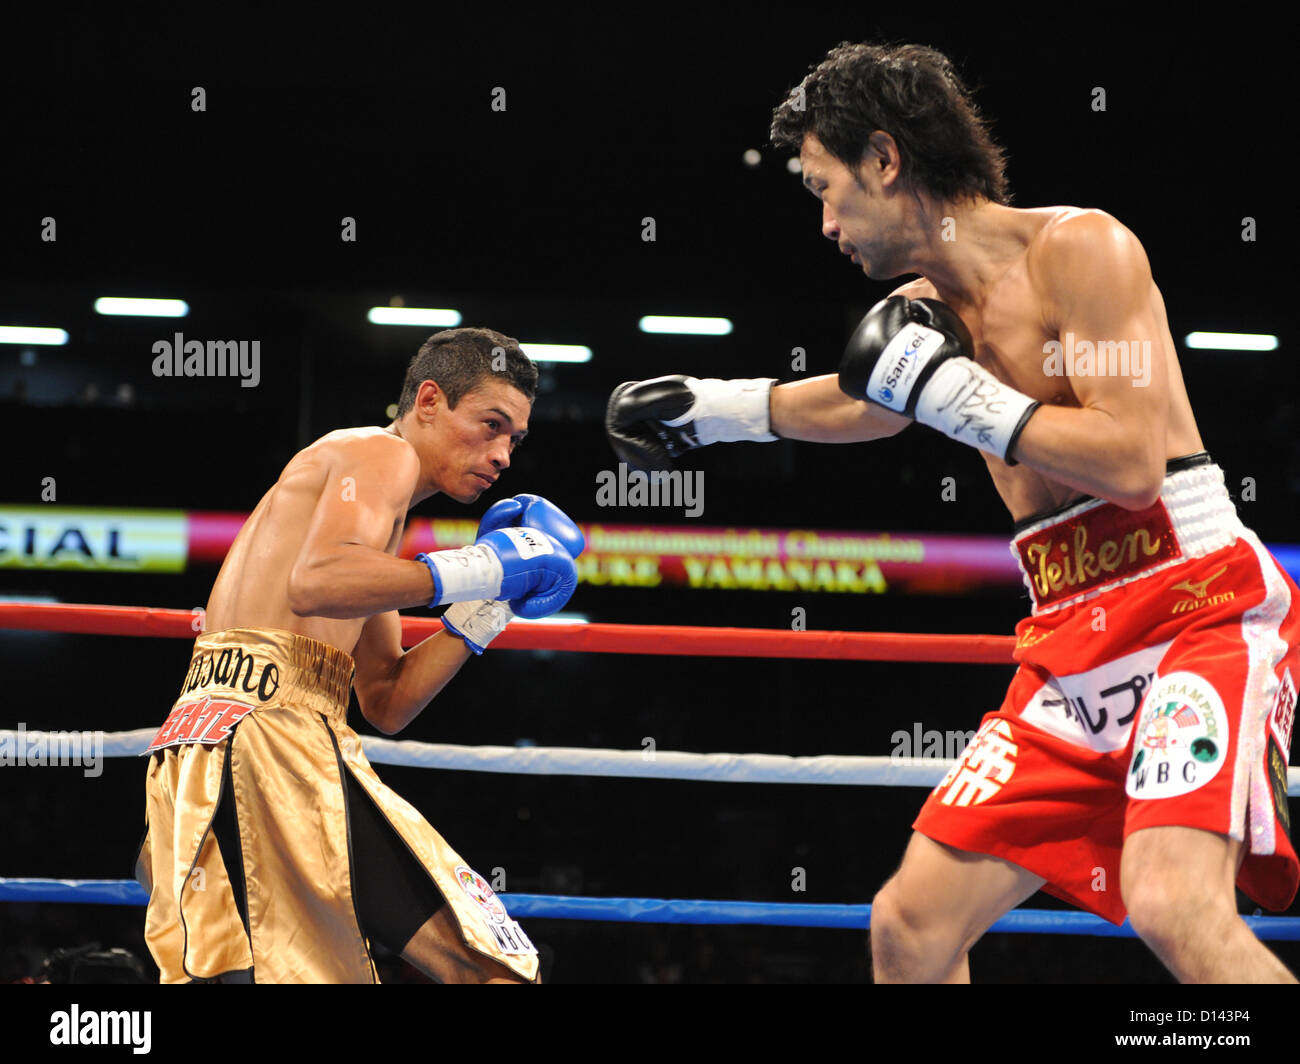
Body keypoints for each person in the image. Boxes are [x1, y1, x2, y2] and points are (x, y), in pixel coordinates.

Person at [605, 42, 1299, 983]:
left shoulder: (1083, 250)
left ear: (885, 160)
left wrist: (963, 397)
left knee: (1176, 908)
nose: (823, 222)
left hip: (1195, 610)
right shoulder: (927, 314)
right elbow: (863, 402)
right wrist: (714, 412)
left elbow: (1134, 462)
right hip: (1070, 642)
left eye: (824, 187)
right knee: (911, 927)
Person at [135, 326, 585, 983]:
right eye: (490, 425)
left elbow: (387, 698)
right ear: (429, 400)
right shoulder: (378, 453)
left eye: (513, 439)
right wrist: (484, 564)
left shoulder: (372, 529)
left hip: (204, 741)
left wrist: (490, 601)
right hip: (271, 743)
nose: (502, 455)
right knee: (493, 967)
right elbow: (317, 582)